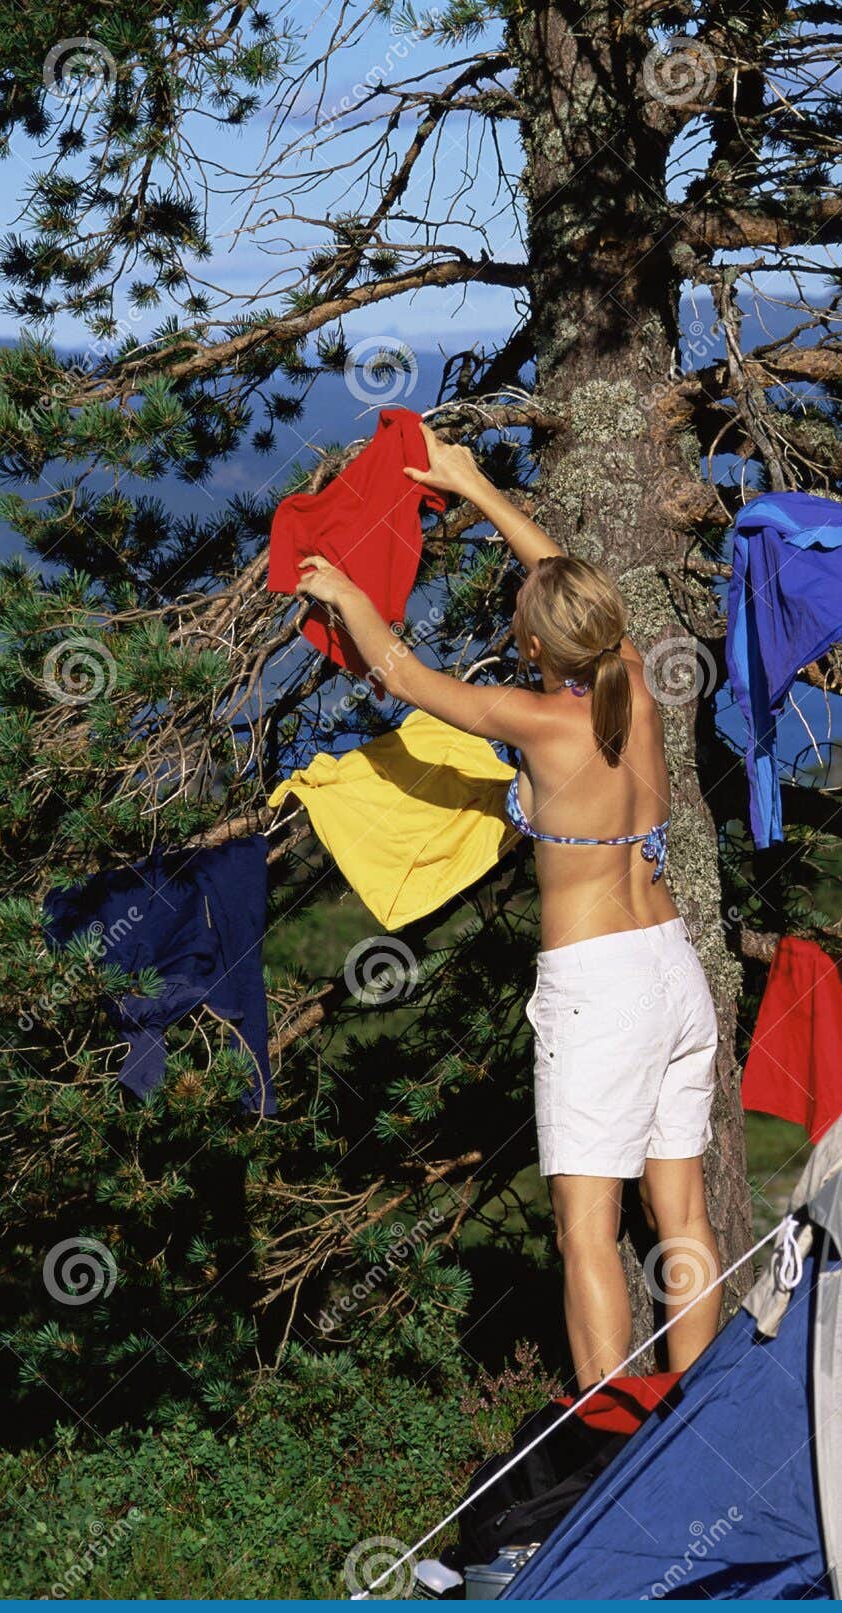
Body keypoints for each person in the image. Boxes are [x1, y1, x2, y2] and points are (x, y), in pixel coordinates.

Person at [295, 423, 720, 1390]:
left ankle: (610, 1442)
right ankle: (698, 1416)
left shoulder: (538, 719)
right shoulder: (637, 687)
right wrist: (474, 486)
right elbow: (573, 582)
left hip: (600, 991)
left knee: (587, 1233)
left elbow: (401, 675)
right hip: (672, 970)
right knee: (683, 1216)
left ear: (530, 645)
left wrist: (346, 592)